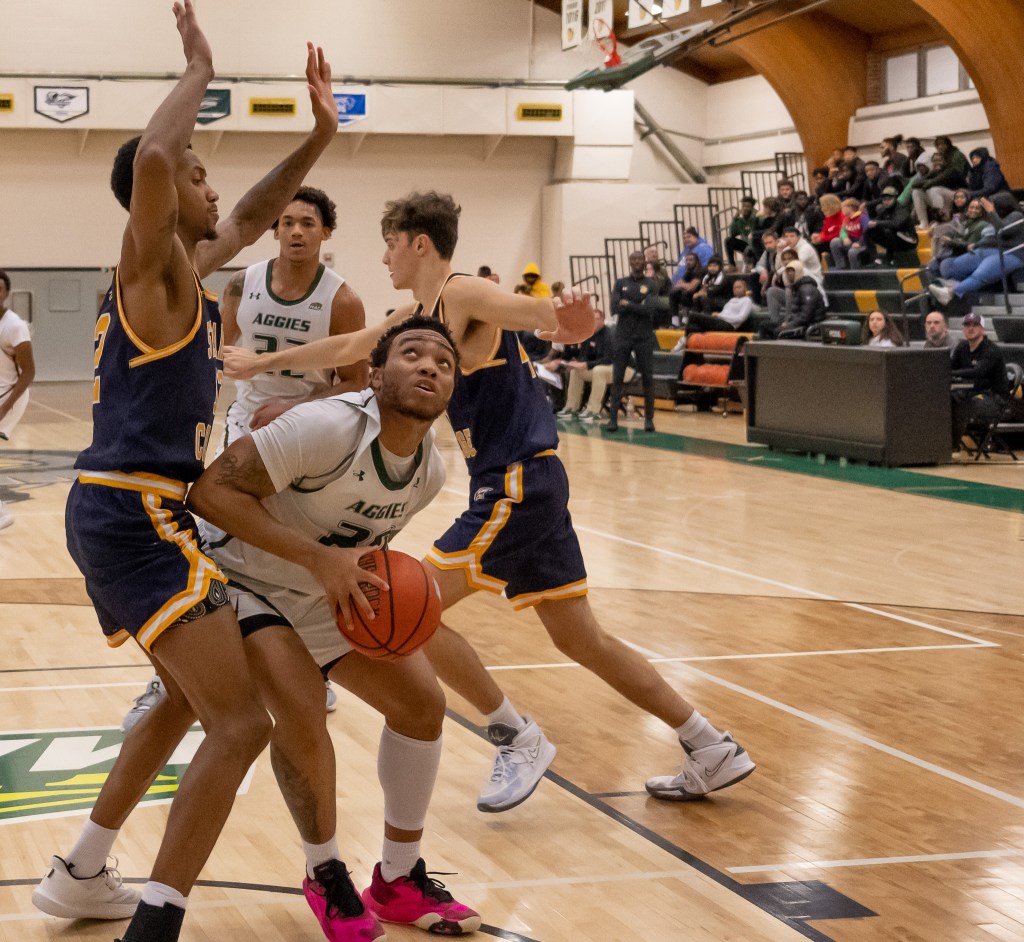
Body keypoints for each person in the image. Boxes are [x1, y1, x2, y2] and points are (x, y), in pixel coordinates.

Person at [224, 190, 755, 813]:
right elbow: (348, 348)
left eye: (391, 244)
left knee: (404, 610)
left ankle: (514, 735)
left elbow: (528, 311)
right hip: (527, 484)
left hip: (515, 481)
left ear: (418, 243)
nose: (386, 257)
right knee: (582, 639)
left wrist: (567, 319)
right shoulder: (415, 317)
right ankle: (708, 743)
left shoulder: (462, 293)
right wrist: (266, 360)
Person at [31, 6, 340, 942]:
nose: (218, 190)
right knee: (240, 724)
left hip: (136, 511)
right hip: (137, 514)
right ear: (160, 202)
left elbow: (248, 215)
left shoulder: (187, 273)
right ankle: (155, 925)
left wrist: (319, 135)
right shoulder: (149, 271)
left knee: (181, 698)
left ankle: (82, 870)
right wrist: (199, 68)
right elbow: (159, 162)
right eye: (203, 175)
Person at [188, 316, 480, 938]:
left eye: (444, 362)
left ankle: (398, 879)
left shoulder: (428, 473)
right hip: (240, 574)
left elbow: (360, 554)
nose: (430, 365)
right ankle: (324, 871)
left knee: (421, 702)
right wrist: (318, 561)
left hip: (321, 584)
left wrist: (362, 589)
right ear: (374, 375)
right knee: (301, 709)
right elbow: (210, 494)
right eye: (412, 353)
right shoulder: (326, 426)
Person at [121, 186, 367, 728]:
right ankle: (170, 680)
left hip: (312, 433)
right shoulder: (241, 283)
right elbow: (225, 357)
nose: (296, 231)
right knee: (211, 541)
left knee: (296, 549)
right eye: (285, 221)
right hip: (244, 427)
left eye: (308, 222)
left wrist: (296, 402)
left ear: (326, 233)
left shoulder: (342, 300)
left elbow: (355, 382)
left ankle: (313, 666)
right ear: (274, 231)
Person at [929, 193, 1024, 306]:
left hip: (1012, 254)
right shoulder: (996, 218)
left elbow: (1003, 231)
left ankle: (951, 291)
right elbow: (991, 239)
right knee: (950, 264)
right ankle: (956, 283)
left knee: (981, 273)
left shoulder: (1017, 215)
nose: (990, 208)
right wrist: (977, 244)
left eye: (993, 205)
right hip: (991, 250)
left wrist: (991, 212)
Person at [607, 250, 659, 433]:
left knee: (648, 378)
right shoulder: (621, 283)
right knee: (617, 377)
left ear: (644, 262)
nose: (637, 262)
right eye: (634, 259)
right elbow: (614, 308)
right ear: (630, 262)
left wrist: (628, 305)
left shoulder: (651, 284)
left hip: (644, 336)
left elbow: (650, 309)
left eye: (640, 259)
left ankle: (649, 419)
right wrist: (639, 305)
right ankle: (612, 418)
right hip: (623, 335)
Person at [0, 268, 35, 530]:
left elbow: (29, 372)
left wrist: (4, 408)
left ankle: (2, 512)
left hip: (11, 394)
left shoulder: (14, 326)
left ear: (7, 294)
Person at [950, 312, 1009, 451]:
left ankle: (951, 447)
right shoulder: (962, 347)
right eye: (967, 325)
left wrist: (950, 374)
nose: (971, 328)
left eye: (975, 325)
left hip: (995, 399)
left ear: (983, 329)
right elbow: (949, 367)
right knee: (946, 400)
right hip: (971, 393)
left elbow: (977, 372)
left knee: (962, 406)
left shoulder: (991, 350)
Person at [555, 306, 618, 422]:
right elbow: (584, 355)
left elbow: (609, 359)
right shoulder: (589, 334)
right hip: (599, 366)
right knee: (576, 371)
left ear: (603, 320)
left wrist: (586, 365)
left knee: (598, 370)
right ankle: (571, 407)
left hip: (621, 368)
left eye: (595, 319)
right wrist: (578, 363)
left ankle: (593, 411)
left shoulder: (609, 335)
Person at [758, 260, 826, 340]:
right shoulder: (797, 288)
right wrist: (787, 322)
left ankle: (777, 352)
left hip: (808, 326)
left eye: (792, 271)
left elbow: (806, 316)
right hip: (797, 323)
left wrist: (790, 324)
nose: (789, 274)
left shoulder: (807, 289)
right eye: (788, 271)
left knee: (778, 331)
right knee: (764, 325)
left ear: (798, 272)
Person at [865, 186, 918, 265]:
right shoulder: (885, 210)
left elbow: (896, 223)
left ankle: (890, 257)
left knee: (889, 231)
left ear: (895, 198)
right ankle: (875, 258)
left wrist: (877, 223)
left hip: (909, 239)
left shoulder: (901, 209)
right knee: (869, 231)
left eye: (889, 199)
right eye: (884, 199)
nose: (886, 202)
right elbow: (876, 221)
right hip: (895, 238)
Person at [685, 276, 752, 334]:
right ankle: (687, 345)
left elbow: (740, 318)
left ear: (745, 289)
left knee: (693, 315)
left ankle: (681, 344)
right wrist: (719, 315)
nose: (736, 289)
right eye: (734, 288)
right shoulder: (732, 300)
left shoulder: (746, 300)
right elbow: (725, 313)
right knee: (693, 327)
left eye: (739, 287)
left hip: (729, 325)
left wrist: (720, 315)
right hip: (720, 321)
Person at [667, 251, 704, 327]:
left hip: (697, 296)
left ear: (696, 261)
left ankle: (685, 320)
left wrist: (684, 285)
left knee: (685, 293)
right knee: (673, 293)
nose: (688, 262)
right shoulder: (688, 272)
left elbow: (691, 288)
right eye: (686, 260)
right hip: (688, 294)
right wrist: (685, 285)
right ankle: (675, 321)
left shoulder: (699, 272)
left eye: (690, 260)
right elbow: (677, 285)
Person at [725, 196, 757, 269]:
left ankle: (755, 265)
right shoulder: (740, 220)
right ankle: (732, 265)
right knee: (728, 240)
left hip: (756, 245)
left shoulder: (756, 217)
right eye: (743, 206)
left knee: (753, 247)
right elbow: (732, 234)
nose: (745, 208)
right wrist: (735, 218)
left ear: (752, 208)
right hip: (746, 245)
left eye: (748, 206)